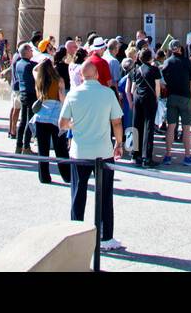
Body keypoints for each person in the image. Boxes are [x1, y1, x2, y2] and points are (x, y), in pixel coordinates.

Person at [58, 58, 124, 252]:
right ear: (97, 74)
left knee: (78, 194)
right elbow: (117, 122)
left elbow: (62, 123)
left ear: (81, 75)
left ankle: (75, 235)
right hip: (103, 152)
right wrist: (119, 144)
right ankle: (105, 238)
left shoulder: (73, 94)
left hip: (80, 152)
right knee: (105, 195)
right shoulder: (107, 93)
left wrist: (73, 125)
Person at [32, 56, 71, 184]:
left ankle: (44, 177)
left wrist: (41, 63)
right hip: (55, 116)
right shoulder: (59, 80)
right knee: (61, 149)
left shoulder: (39, 79)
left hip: (41, 116)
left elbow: (35, 69)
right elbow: (62, 98)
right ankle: (67, 176)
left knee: (42, 150)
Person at [161, 40, 191, 165]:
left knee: (171, 127)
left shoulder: (167, 62)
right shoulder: (186, 61)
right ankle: (187, 156)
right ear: (180, 48)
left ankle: (168, 155)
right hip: (185, 96)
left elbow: (163, 80)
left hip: (172, 96)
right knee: (186, 128)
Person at [129, 47, 162, 168]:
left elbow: (132, 89)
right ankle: (146, 158)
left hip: (138, 97)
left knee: (136, 124)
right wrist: (157, 99)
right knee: (149, 126)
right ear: (150, 58)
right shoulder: (154, 69)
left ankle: (134, 154)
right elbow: (157, 87)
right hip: (149, 97)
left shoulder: (136, 70)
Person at [13, 42, 37, 153]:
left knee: (23, 121)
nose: (32, 51)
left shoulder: (18, 63)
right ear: (26, 52)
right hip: (31, 94)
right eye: (30, 50)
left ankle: (18, 145)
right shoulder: (29, 65)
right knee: (29, 120)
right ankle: (26, 146)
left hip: (22, 93)